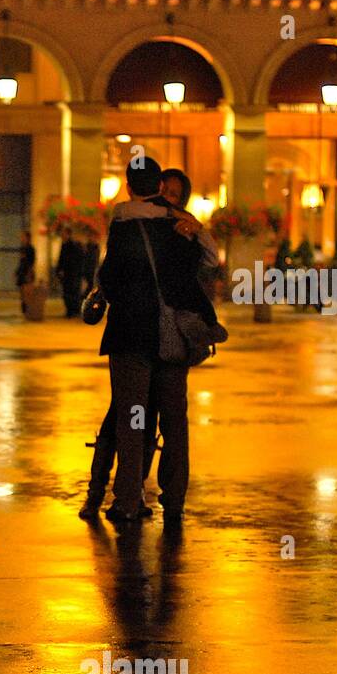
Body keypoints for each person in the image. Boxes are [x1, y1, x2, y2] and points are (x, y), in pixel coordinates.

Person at [80, 168, 216, 523]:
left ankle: (126, 499)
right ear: (158, 187)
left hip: (131, 338)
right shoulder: (180, 226)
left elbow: (107, 278)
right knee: (174, 421)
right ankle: (174, 500)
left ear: (128, 187)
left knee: (130, 419)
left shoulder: (124, 225)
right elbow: (205, 264)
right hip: (172, 339)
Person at [55, 228, 85, 317]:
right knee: (66, 292)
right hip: (66, 274)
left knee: (72, 292)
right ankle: (70, 310)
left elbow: (74, 261)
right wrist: (59, 270)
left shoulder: (73, 246)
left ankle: (72, 311)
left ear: (68, 234)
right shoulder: (64, 245)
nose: (62, 235)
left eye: (64, 233)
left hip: (71, 274)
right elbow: (61, 259)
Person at [16, 229, 37, 315]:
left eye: (23, 236)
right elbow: (21, 261)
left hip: (27, 273)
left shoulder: (30, 249)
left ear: (28, 238)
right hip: (22, 272)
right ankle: (24, 309)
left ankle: (28, 310)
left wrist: (29, 273)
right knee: (22, 293)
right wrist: (17, 271)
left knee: (27, 293)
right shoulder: (23, 248)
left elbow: (31, 262)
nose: (22, 238)